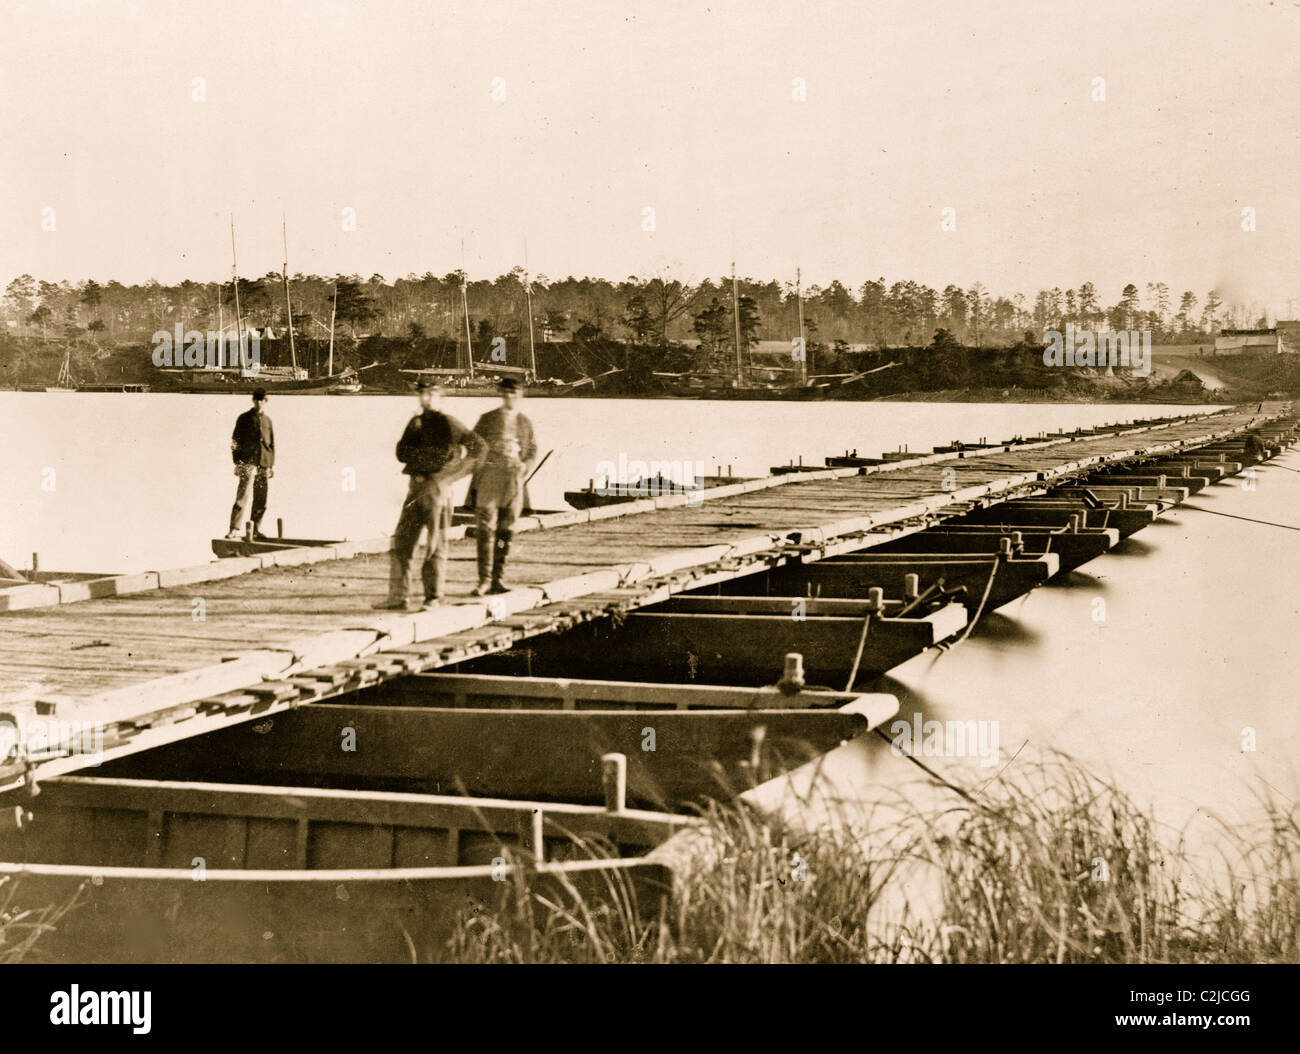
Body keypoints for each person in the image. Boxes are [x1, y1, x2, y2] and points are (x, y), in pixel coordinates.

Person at [378, 378, 485, 610]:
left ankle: (433, 598)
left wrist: (451, 474)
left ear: (440, 398)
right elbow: (401, 451)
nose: (425, 398)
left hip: (437, 490)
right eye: (422, 394)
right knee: (402, 542)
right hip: (415, 488)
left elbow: (479, 448)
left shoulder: (449, 423)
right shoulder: (416, 422)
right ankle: (399, 597)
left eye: (430, 394)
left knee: (435, 544)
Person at [470, 377, 537, 595]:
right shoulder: (487, 419)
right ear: (501, 394)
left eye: (514, 393)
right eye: (506, 392)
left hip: (513, 480)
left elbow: (532, 448)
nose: (510, 397)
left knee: (506, 530)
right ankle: (484, 580)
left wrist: (525, 465)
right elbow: (472, 444)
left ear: (520, 396)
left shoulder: (525, 422)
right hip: (490, 478)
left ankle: (498, 579)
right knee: (486, 529)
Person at [226, 388, 274, 540]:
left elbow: (271, 444)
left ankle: (255, 530)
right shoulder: (244, 419)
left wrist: (271, 465)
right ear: (253, 401)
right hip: (247, 462)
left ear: (266, 402)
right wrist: (237, 462)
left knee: (261, 498)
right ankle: (234, 529)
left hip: (263, 463)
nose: (259, 403)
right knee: (242, 496)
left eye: (262, 400)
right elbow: (235, 442)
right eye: (257, 400)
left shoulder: (267, 421)